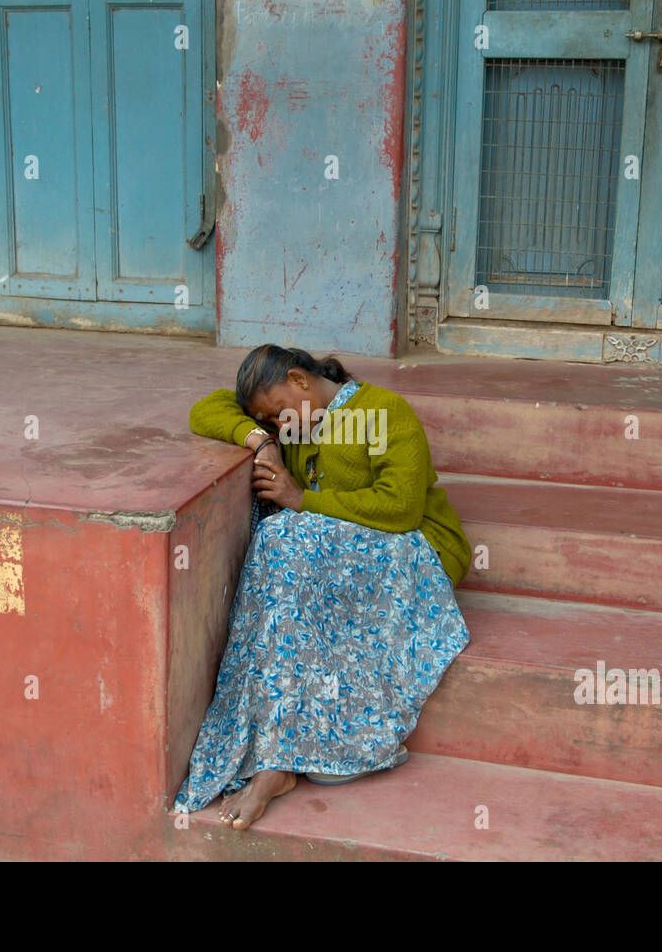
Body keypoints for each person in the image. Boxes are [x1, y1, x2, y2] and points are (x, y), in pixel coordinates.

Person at [173, 344, 472, 830]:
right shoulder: (288, 426)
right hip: (335, 546)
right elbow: (205, 409)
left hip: (415, 547)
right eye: (268, 422)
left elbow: (400, 507)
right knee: (281, 543)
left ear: (300, 379)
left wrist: (303, 498)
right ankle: (280, 756)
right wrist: (261, 441)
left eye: (276, 413)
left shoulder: (383, 412)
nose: (277, 425)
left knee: (282, 539)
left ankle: (293, 755)